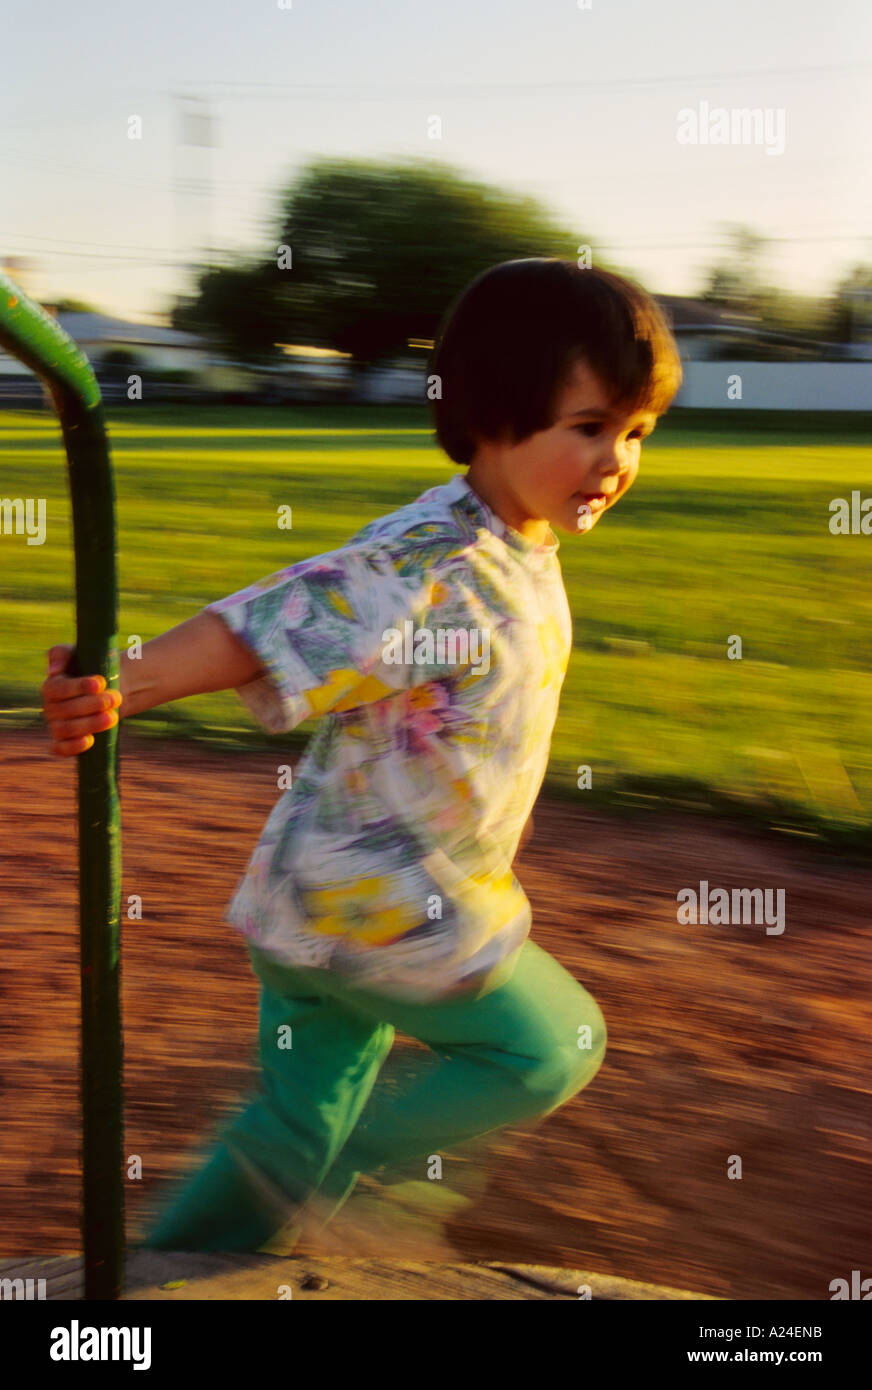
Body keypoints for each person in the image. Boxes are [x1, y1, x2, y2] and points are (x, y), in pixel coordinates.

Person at [40, 258, 683, 1253]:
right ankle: (354, 1175)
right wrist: (125, 680)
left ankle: (167, 1282)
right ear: (492, 415)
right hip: (386, 916)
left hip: (310, 910)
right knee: (553, 1047)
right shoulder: (433, 565)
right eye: (588, 427)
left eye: (635, 432)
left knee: (296, 1119)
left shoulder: (507, 544)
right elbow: (269, 623)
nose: (616, 459)